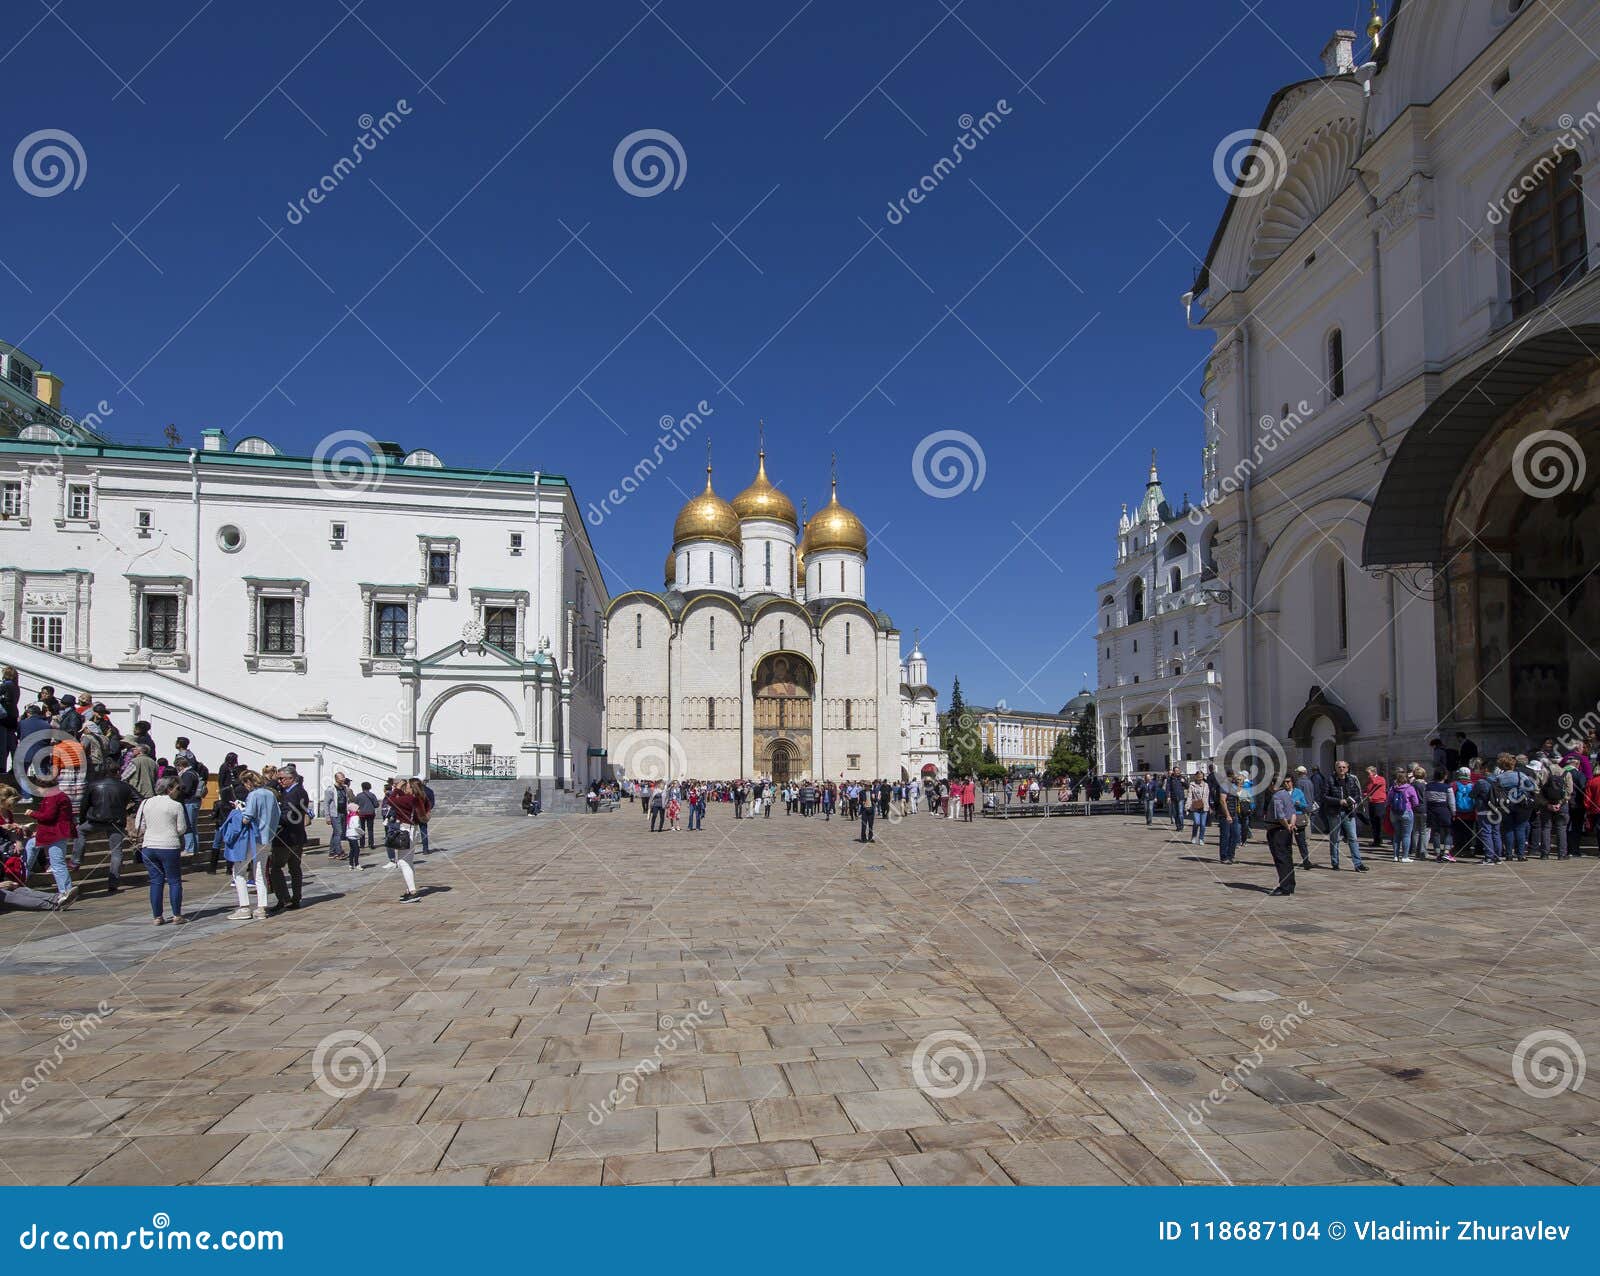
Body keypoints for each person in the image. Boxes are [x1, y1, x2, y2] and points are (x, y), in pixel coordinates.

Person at [136, 776, 188, 925]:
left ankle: (157, 916)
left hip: (149, 845)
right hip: (169, 846)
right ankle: (177, 914)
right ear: (169, 788)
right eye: (177, 788)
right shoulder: (176, 805)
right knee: (174, 881)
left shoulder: (146, 803)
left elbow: (141, 824)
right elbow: (181, 828)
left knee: (156, 882)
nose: (179, 792)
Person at [80, 767, 138, 895]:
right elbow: (139, 799)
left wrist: (82, 819)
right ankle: (113, 883)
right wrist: (128, 812)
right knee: (116, 852)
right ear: (117, 773)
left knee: (80, 831)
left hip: (96, 820)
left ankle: (76, 860)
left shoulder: (93, 784)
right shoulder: (125, 786)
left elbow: (84, 804)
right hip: (116, 822)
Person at [1320, 760, 1367, 871]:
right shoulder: (1329, 780)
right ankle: (1335, 862)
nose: (1341, 769)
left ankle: (1358, 863)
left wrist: (1352, 801)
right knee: (1335, 838)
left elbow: (1357, 794)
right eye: (1339, 767)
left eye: (1344, 767)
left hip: (1348, 812)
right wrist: (1339, 801)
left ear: (1347, 768)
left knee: (1353, 838)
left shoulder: (1351, 779)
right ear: (1336, 768)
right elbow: (1324, 796)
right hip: (1334, 813)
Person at [1266, 776, 1299, 896]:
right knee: (1288, 858)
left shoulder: (1277, 796)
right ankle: (1290, 885)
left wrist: (1286, 825)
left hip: (1277, 831)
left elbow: (1280, 816)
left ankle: (1285, 886)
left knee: (1281, 859)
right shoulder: (1286, 794)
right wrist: (1291, 825)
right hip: (1286, 830)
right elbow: (1293, 812)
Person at [1423, 768, 1456, 861]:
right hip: (1444, 811)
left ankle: (1437, 854)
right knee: (1448, 832)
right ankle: (1446, 852)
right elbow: (1451, 802)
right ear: (1445, 776)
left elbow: (1425, 800)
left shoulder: (1428, 786)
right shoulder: (1447, 787)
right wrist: (1454, 813)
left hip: (1431, 811)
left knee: (1436, 832)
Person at [1386, 768, 1419, 862]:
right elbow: (1416, 802)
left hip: (1394, 813)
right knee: (1406, 835)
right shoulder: (1410, 788)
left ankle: (1395, 856)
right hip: (1406, 812)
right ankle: (1405, 856)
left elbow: (1388, 801)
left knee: (1396, 834)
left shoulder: (1393, 788)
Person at [323, 771, 352, 862]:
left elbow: (350, 798)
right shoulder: (330, 789)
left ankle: (332, 852)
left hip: (343, 812)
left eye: (343, 777)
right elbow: (326, 803)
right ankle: (339, 852)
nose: (343, 779)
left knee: (336, 833)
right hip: (335, 814)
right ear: (336, 779)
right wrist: (327, 816)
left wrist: (348, 790)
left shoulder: (344, 788)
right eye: (341, 777)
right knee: (338, 832)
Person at [1362, 765, 1388, 850]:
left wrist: (1372, 776)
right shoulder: (1369, 780)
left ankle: (1379, 839)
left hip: (1379, 803)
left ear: (1373, 772)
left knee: (1378, 821)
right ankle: (1375, 839)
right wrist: (1366, 795)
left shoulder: (1380, 779)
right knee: (1373, 821)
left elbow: (1376, 783)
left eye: (1368, 773)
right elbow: (1367, 790)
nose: (1367, 775)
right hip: (1371, 802)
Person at [354, 781, 379, 856]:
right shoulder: (372, 795)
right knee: (370, 829)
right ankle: (371, 843)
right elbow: (376, 804)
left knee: (362, 828)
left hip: (362, 813)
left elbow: (356, 804)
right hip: (371, 813)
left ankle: (362, 844)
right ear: (369, 787)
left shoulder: (359, 795)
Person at [1185, 771, 1210, 845]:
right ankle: (1194, 836)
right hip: (1195, 806)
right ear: (1196, 777)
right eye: (1198, 777)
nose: (1200, 778)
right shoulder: (1192, 785)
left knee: (1203, 824)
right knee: (1196, 822)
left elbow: (1207, 796)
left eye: (1201, 777)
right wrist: (1187, 806)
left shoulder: (1206, 785)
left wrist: (1210, 806)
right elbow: (1189, 796)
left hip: (1204, 806)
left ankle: (1201, 838)